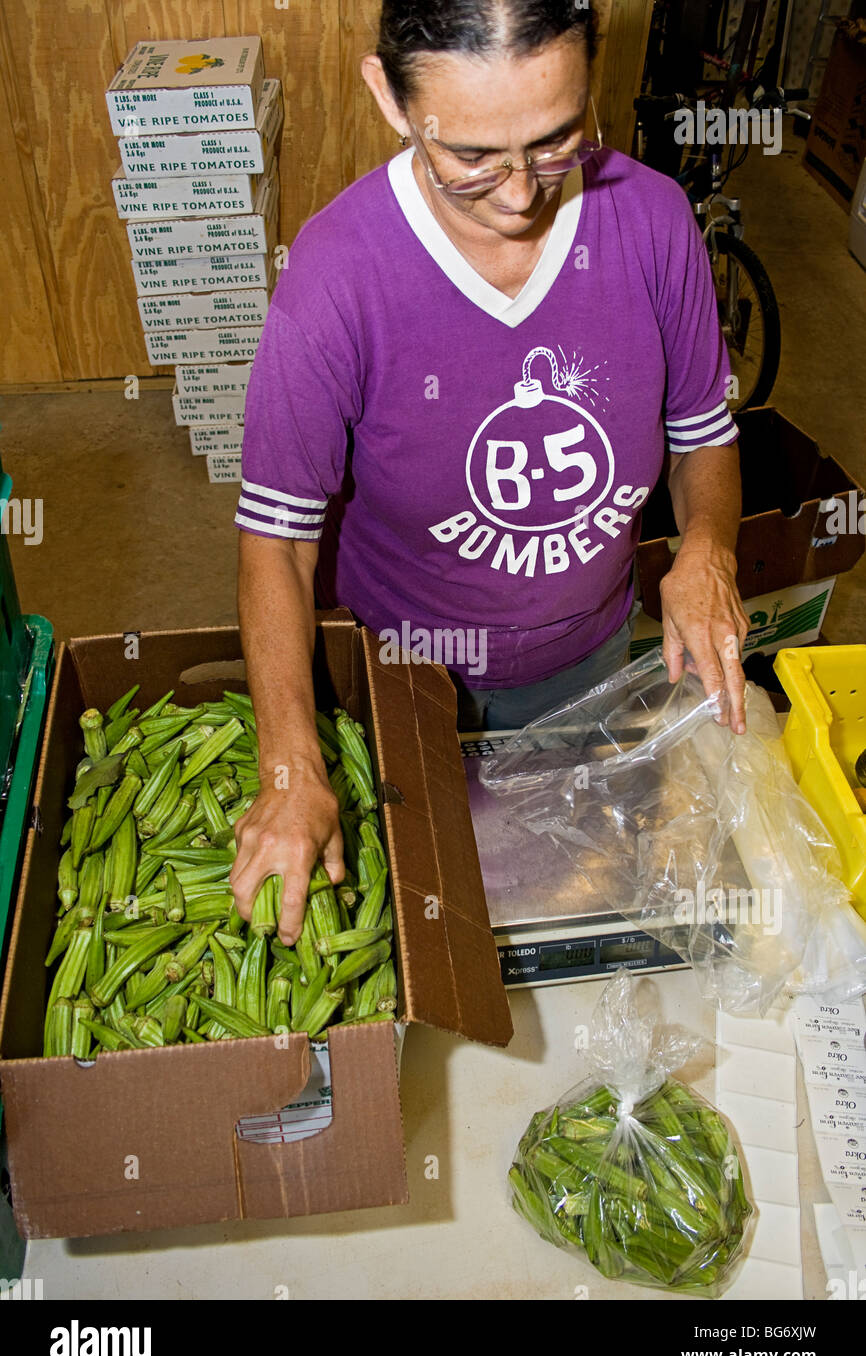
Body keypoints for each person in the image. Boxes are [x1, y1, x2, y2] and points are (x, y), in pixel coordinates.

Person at [230, 0, 750, 944]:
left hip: (589, 656)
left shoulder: (653, 221)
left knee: (569, 887)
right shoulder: (337, 276)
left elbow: (702, 432)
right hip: (410, 675)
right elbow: (277, 540)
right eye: (472, 156)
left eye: (556, 138)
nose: (520, 193)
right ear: (389, 96)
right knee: (435, 901)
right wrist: (291, 766)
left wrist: (708, 547)